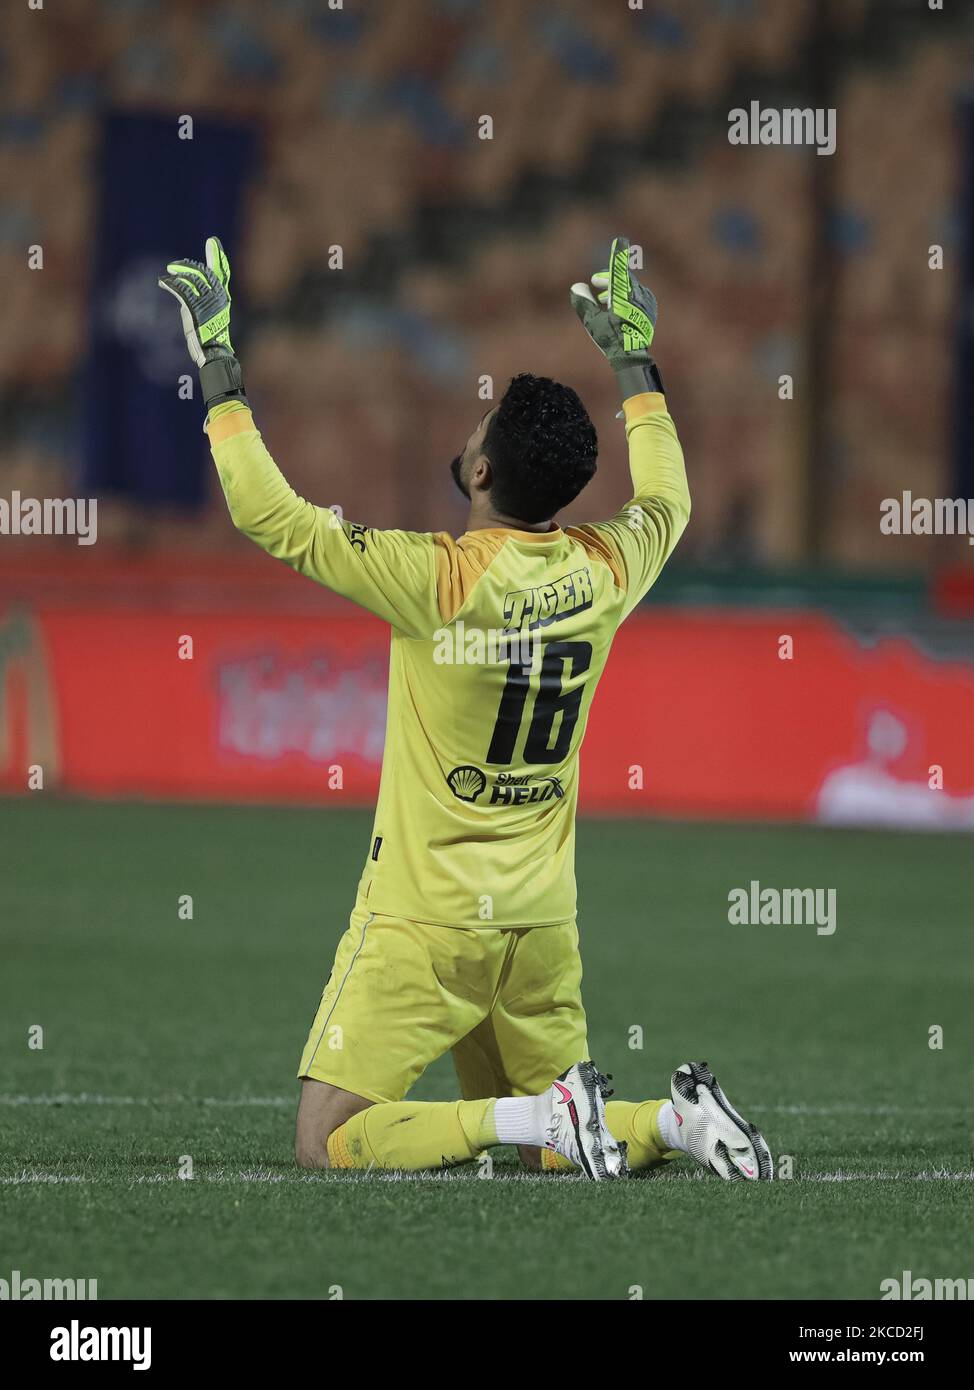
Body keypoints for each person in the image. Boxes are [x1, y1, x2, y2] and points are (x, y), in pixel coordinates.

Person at [159, 234, 772, 1182]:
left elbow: (269, 514)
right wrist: (635, 364)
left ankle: (544, 1116)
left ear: (482, 474)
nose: (471, 431)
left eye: (480, 427)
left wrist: (219, 373)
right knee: (552, 1151)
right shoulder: (606, 569)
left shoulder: (437, 580)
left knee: (326, 1141)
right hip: (540, 924)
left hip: (427, 923)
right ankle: (675, 1121)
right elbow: (670, 501)